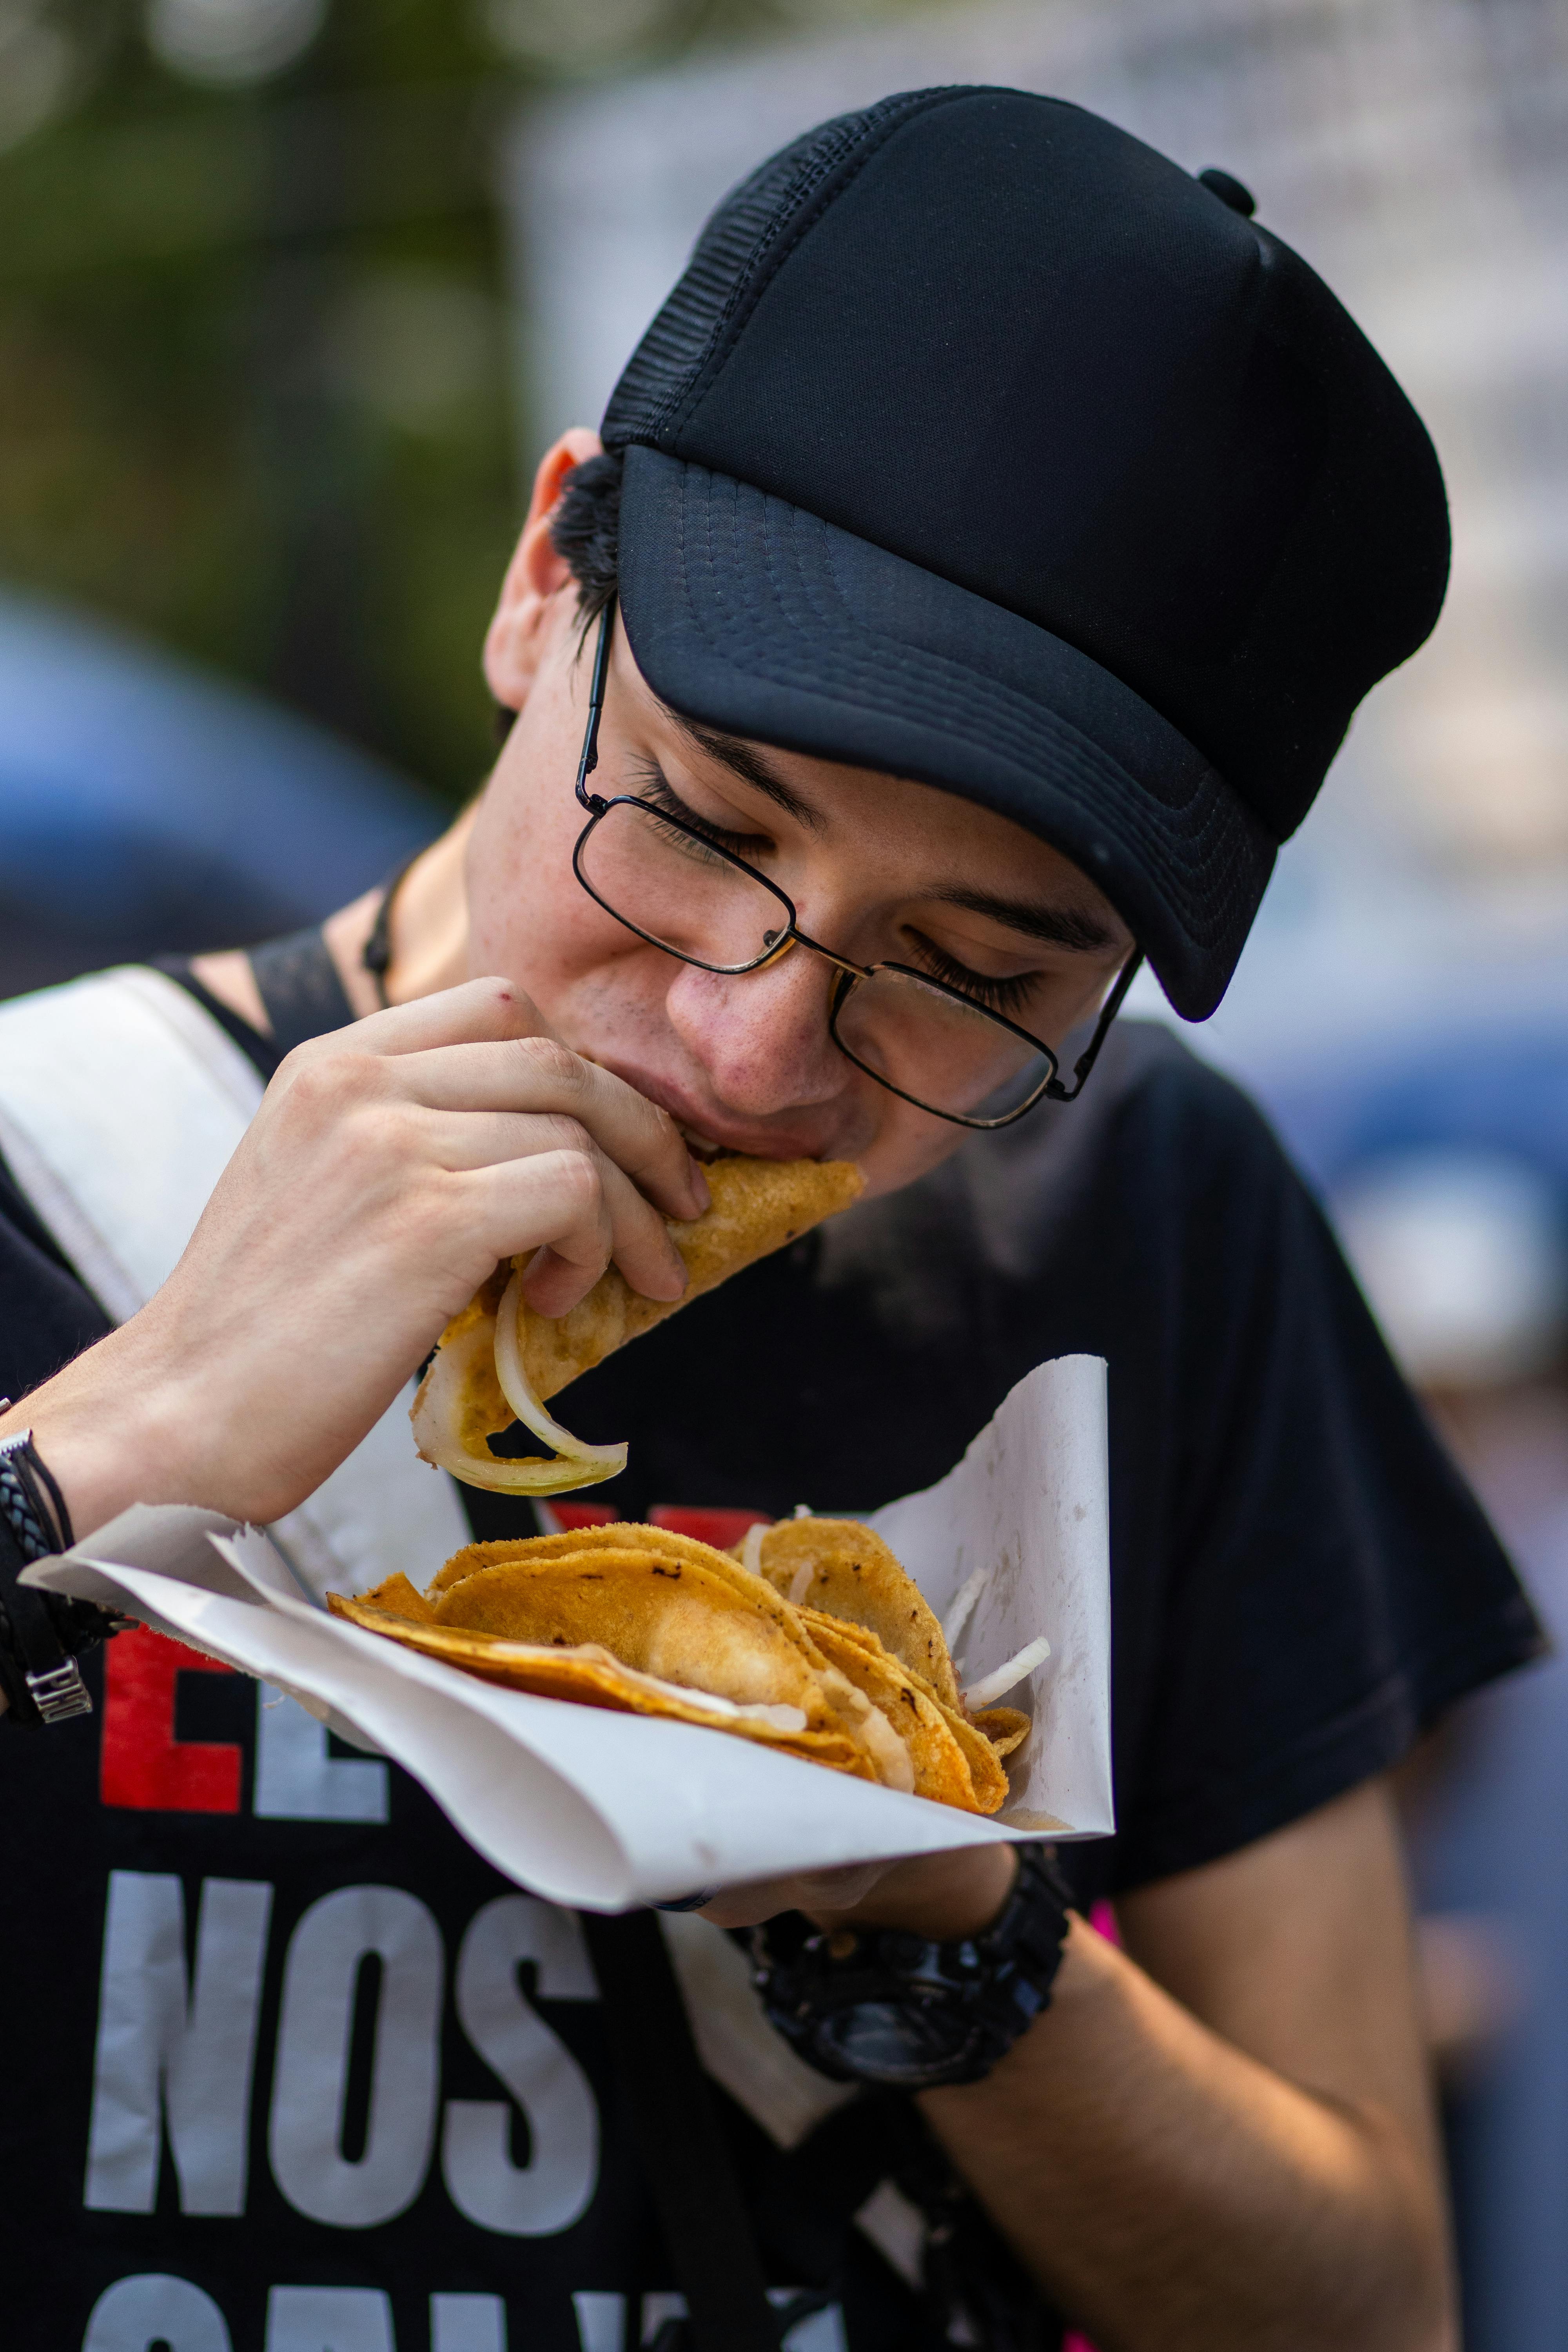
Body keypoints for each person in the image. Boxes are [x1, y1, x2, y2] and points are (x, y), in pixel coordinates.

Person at [0, 88, 1539, 2352]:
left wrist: (958, 1935)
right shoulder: (35, 1152)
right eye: (710, 823)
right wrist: (110, 1456)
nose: (751, 1049)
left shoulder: (1142, 1222)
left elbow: (1364, 2310)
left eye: (979, 978)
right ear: (549, 584)